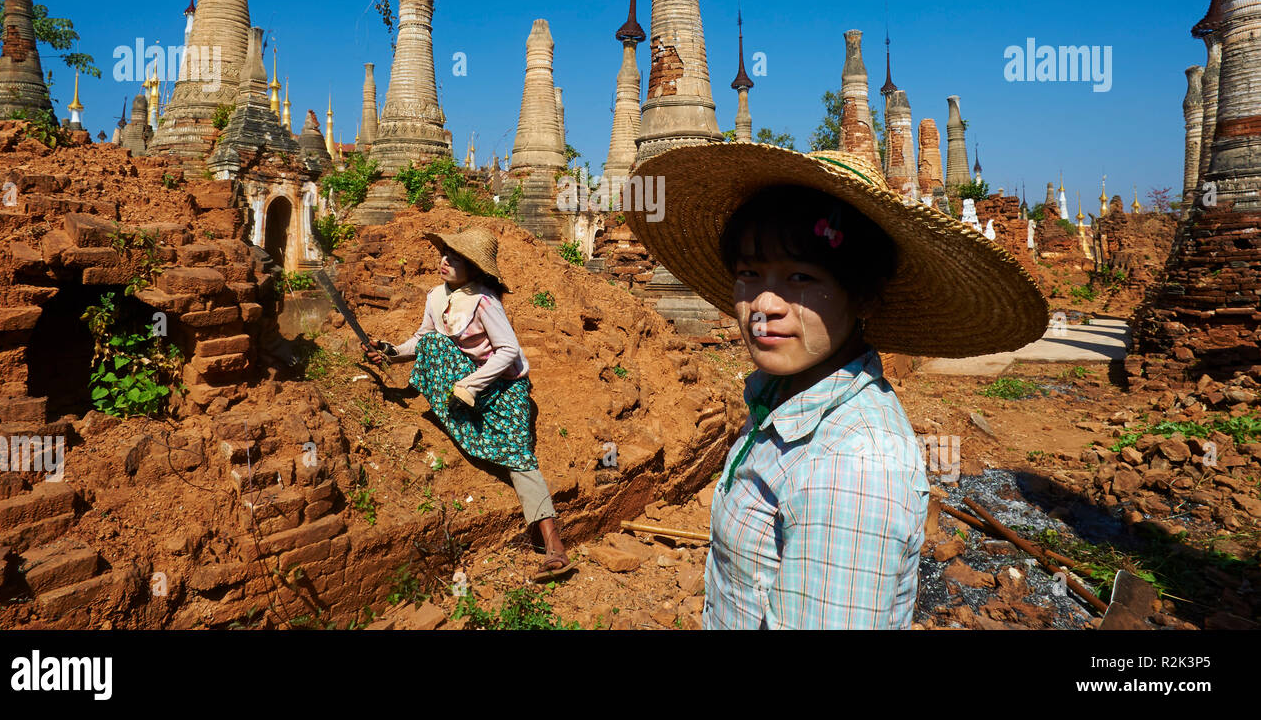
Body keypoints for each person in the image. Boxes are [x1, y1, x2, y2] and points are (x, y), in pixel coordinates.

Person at [626, 144, 1047, 629]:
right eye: (748, 274)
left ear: (863, 295)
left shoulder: (851, 465)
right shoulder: (782, 399)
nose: (763, 305)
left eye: (801, 277)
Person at [364, 225, 574, 580]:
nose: (445, 261)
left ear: (474, 268)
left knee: (518, 456)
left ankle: (554, 547)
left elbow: (508, 351)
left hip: (504, 386)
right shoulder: (435, 296)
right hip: (467, 380)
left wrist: (472, 386)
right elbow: (424, 339)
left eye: (455, 258)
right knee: (433, 345)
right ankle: (462, 420)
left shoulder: (485, 301)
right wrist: (390, 353)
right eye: (445, 254)